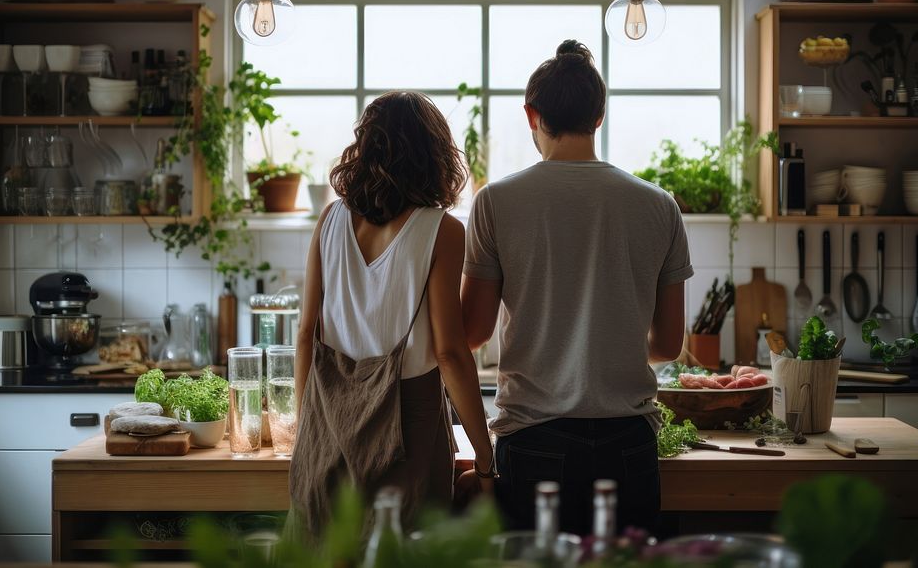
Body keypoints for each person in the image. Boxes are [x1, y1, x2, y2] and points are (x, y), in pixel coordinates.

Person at [460, 40, 692, 535]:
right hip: (628, 441)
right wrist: (612, 346)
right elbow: (669, 345)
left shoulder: (495, 202)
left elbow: (472, 333)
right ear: (598, 116)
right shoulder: (659, 205)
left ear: (532, 114)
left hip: (533, 438)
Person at [289, 91, 494, 539]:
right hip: (409, 430)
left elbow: (305, 335)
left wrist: (308, 432)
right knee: (403, 550)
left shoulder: (330, 220)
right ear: (435, 154)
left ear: (365, 148)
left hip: (329, 424)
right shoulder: (441, 230)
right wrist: (485, 461)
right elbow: (450, 353)